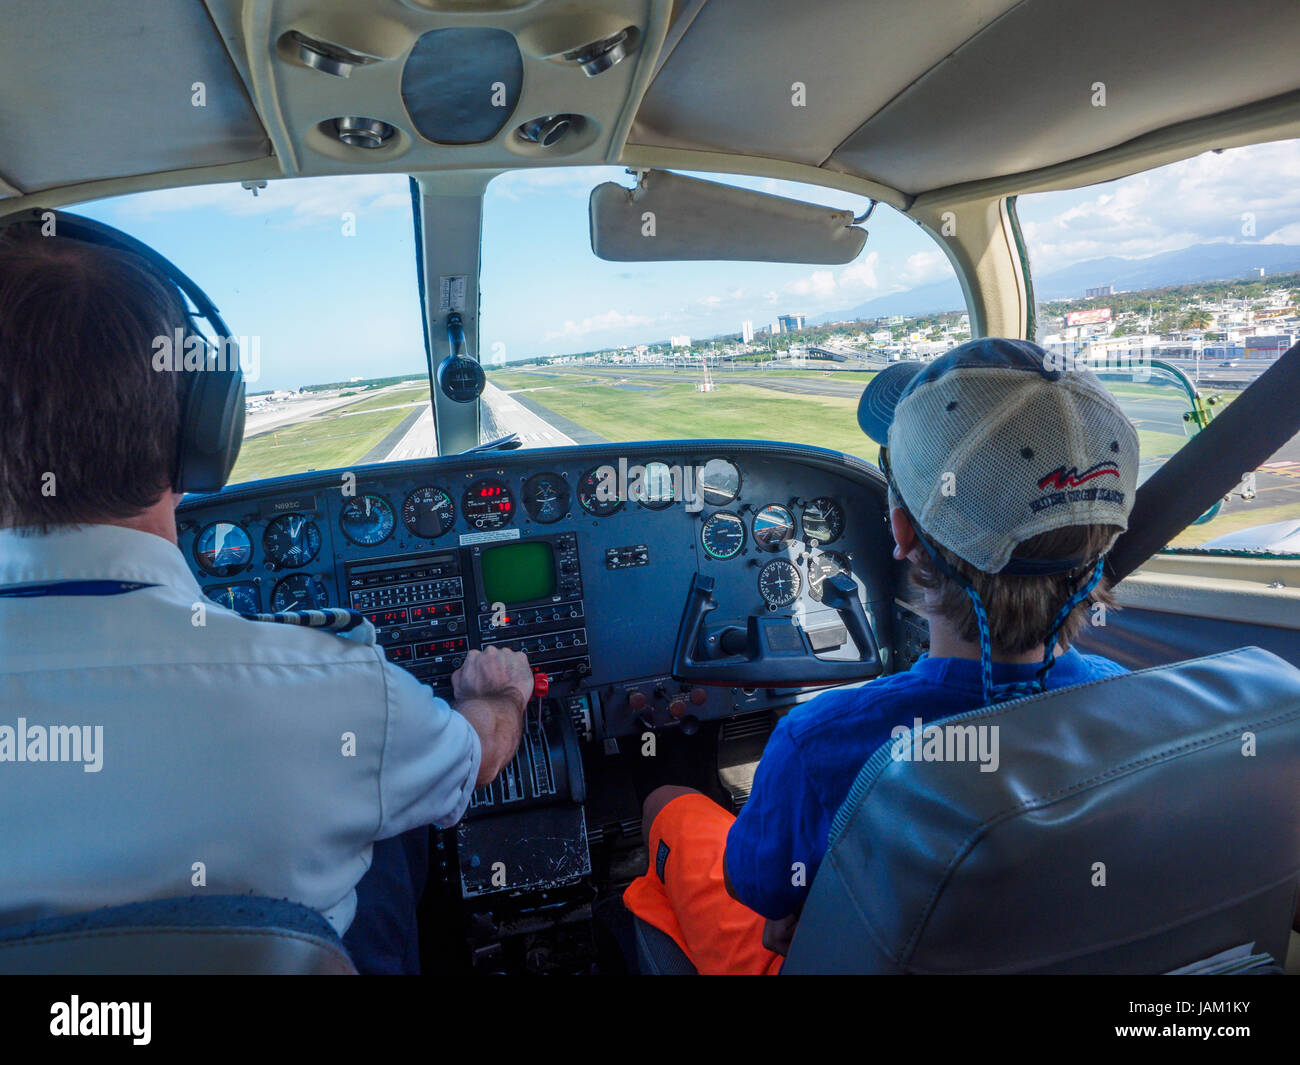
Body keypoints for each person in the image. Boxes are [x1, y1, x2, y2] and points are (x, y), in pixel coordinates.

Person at [0, 222, 533, 973]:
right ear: (203, 433)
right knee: (391, 827)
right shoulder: (337, 691)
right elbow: (471, 758)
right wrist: (498, 696)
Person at [623, 337, 1141, 974]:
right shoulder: (1137, 703)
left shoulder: (817, 742)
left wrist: (813, 907)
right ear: (1105, 543)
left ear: (901, 532)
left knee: (673, 805)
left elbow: (757, 890)